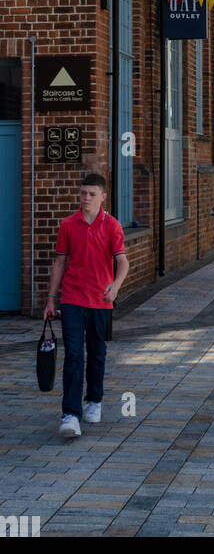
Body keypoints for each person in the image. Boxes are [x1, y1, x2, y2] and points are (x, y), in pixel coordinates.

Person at [43, 173, 128, 440]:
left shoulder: (112, 225)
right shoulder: (68, 225)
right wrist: (50, 298)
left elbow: (123, 262)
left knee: (97, 353)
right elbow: (59, 264)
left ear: (103, 197)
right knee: (74, 356)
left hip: (101, 301)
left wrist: (115, 286)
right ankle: (70, 414)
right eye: (83, 193)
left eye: (92, 194)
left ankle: (94, 400)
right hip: (72, 299)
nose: (86, 198)